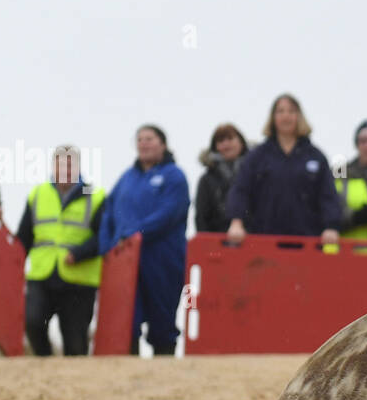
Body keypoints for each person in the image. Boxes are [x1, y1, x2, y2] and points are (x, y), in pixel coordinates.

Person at [99, 125, 189, 356]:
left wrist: (136, 233)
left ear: (163, 144)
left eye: (149, 138)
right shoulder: (126, 179)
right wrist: (106, 245)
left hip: (161, 259)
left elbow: (169, 212)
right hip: (125, 260)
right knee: (127, 319)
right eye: (139, 139)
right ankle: (128, 369)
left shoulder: (174, 176)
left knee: (162, 319)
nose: (144, 143)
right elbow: (108, 211)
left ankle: (165, 368)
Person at [16, 147, 105, 356]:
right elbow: (23, 237)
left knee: (75, 342)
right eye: (60, 164)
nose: (64, 170)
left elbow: (104, 236)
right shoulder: (38, 193)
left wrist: (80, 253)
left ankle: (74, 383)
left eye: (69, 164)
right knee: (33, 322)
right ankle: (45, 363)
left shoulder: (94, 193)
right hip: (42, 273)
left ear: (78, 167)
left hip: (79, 279)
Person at [225, 94, 341, 244]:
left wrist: (331, 226)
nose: (286, 116)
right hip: (264, 242)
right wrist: (236, 222)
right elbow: (241, 190)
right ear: (273, 118)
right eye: (280, 111)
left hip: (306, 243)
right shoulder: (257, 157)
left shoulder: (316, 157)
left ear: (299, 117)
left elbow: (328, 195)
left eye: (291, 111)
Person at [195, 124, 248, 233]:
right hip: (218, 241)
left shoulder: (256, 173)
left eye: (230, 138)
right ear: (215, 147)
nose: (226, 144)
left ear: (241, 142)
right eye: (220, 141)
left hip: (255, 238)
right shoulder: (207, 180)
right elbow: (202, 216)